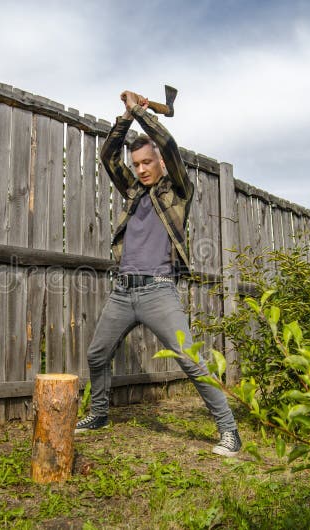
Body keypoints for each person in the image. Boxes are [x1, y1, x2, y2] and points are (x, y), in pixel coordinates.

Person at [74, 90, 241, 457]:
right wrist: (125, 119)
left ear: (161, 162)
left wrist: (141, 112)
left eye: (148, 162)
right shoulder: (133, 192)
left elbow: (167, 141)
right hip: (122, 292)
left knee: (189, 361)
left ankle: (229, 431)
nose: (142, 169)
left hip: (158, 292)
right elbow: (107, 156)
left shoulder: (179, 191)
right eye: (137, 165)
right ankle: (99, 414)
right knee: (97, 355)